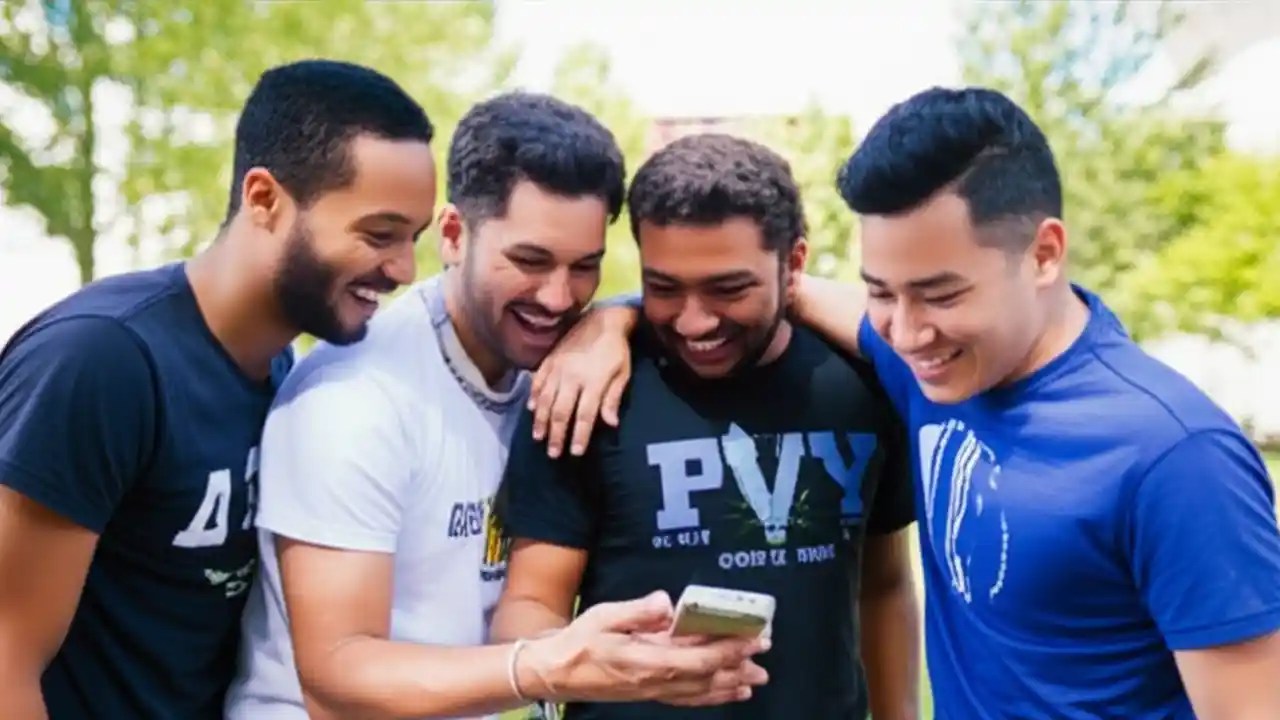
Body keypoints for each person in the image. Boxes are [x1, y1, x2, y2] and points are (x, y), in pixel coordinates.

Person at [526, 87, 1280, 719]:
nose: (908, 332)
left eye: (941, 293)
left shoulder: (1173, 456)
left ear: (1045, 253)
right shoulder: (935, 367)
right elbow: (761, 293)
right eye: (882, 292)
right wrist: (606, 317)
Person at [223, 93, 768, 720]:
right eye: (529, 261)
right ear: (454, 234)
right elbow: (337, 677)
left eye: (585, 267)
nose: (559, 297)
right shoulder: (352, 400)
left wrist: (617, 316)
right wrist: (551, 665)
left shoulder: (567, 360)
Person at [0, 59, 436, 719]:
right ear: (264, 199)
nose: (403, 268)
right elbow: (5, 658)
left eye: (414, 239)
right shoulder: (102, 360)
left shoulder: (289, 376)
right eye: (379, 235)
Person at [490, 133, 920, 720]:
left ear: (793, 264)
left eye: (728, 289)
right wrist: (581, 662)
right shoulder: (584, 391)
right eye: (663, 288)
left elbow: (885, 585)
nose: (693, 322)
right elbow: (530, 604)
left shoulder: (860, 384)